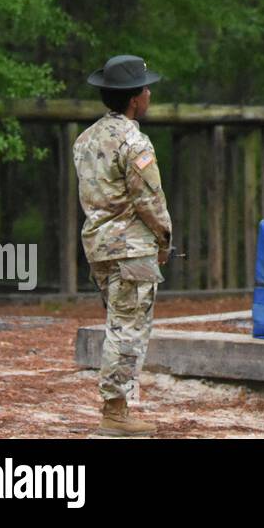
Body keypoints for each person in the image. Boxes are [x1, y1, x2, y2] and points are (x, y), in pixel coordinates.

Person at [72, 54, 171, 437]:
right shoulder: (134, 141)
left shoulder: (85, 140)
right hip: (132, 249)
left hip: (98, 246)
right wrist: (164, 239)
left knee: (117, 324)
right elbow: (150, 199)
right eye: (146, 88)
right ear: (134, 99)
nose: (149, 93)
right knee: (128, 329)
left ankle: (119, 408)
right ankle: (114, 414)